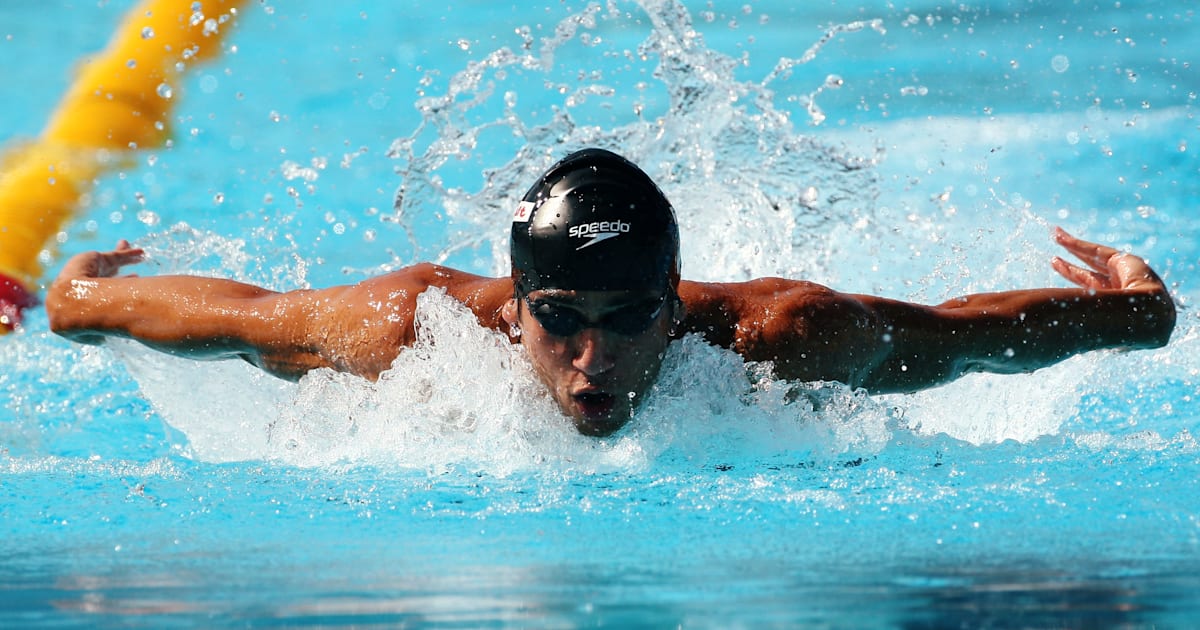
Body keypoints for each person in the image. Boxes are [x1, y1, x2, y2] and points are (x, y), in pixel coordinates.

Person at [45, 148, 1176, 436]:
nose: (597, 361)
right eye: (562, 322)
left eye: (632, 320)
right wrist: (76, 294)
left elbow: (973, 337)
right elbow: (238, 321)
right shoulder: (413, 333)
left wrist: (1138, 307)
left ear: (673, 305)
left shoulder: (785, 338)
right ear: (516, 310)